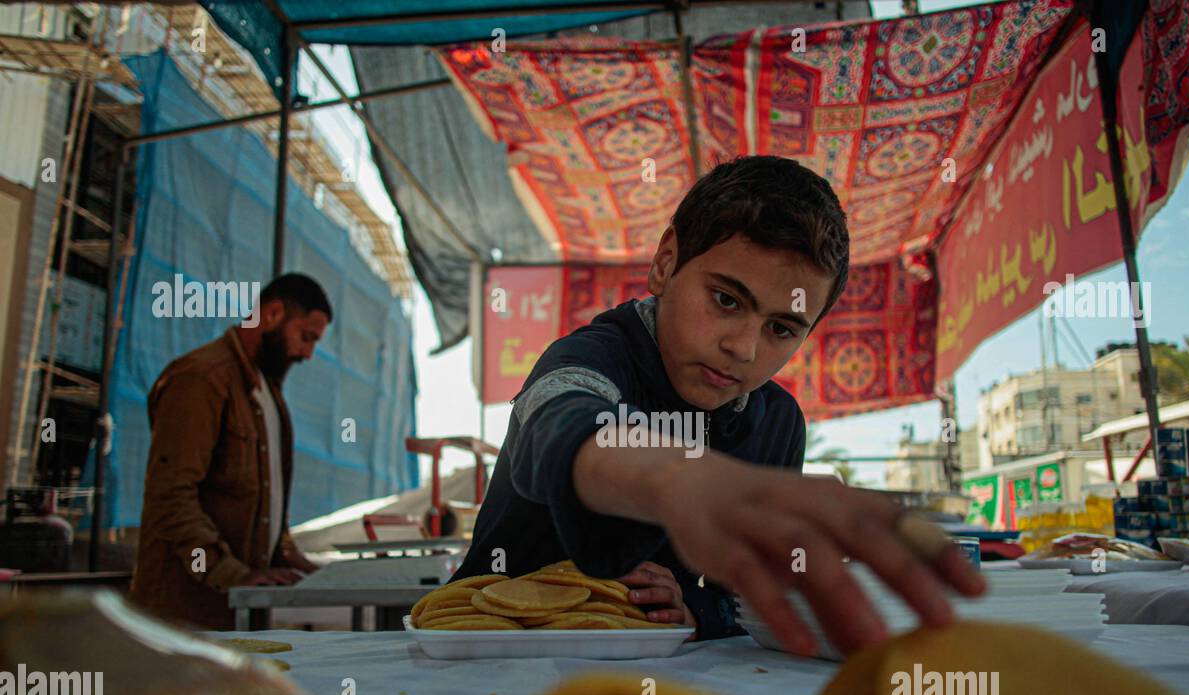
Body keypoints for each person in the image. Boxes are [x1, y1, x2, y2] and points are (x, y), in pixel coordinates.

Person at [449, 156, 984, 655]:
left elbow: (749, 595)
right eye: (726, 300)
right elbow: (563, 423)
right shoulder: (589, 358)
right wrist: (679, 479)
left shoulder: (776, 423)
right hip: (488, 661)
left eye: (780, 328)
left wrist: (695, 610)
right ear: (665, 263)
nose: (743, 348)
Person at [128, 274, 330, 630]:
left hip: (235, 617)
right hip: (183, 621)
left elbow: (266, 505)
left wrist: (297, 561)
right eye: (306, 337)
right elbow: (170, 498)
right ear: (272, 314)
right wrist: (227, 573)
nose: (307, 353)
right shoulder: (201, 379)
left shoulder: (267, 392)